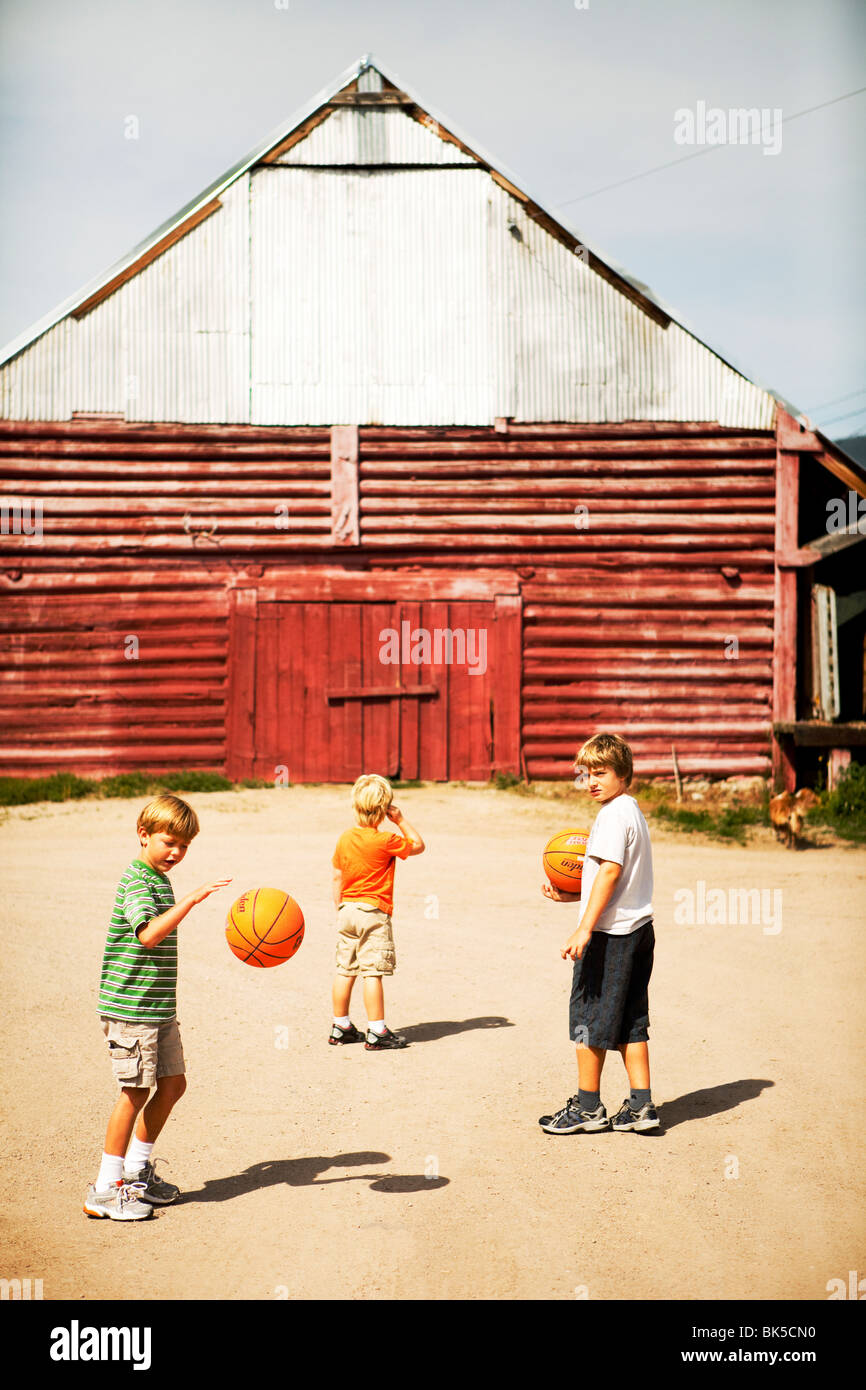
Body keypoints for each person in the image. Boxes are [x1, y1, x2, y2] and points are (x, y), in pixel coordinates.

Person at [84, 794, 231, 1219]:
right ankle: (105, 1188)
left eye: (184, 846)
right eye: (169, 842)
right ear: (143, 835)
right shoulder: (137, 879)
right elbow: (148, 935)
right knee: (134, 1091)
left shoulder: (159, 879)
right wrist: (191, 900)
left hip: (157, 1008)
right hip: (131, 1009)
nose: (177, 853)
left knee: (173, 1085)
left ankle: (135, 1173)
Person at [539, 733, 659, 1133]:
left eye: (601, 773)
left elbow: (610, 871)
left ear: (623, 773)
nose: (591, 781)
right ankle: (641, 1106)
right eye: (585, 773)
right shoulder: (631, 810)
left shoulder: (611, 815)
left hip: (610, 936)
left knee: (588, 1018)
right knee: (630, 1020)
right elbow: (615, 881)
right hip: (638, 929)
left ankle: (588, 1108)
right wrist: (573, 897)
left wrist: (584, 927)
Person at [329, 774, 425, 1050]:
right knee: (372, 972)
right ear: (384, 809)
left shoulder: (345, 838)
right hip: (373, 912)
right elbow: (418, 845)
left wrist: (340, 907)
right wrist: (401, 820)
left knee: (345, 970)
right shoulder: (385, 840)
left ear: (354, 806)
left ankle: (341, 1025)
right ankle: (377, 1031)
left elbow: (337, 875)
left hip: (347, 909)